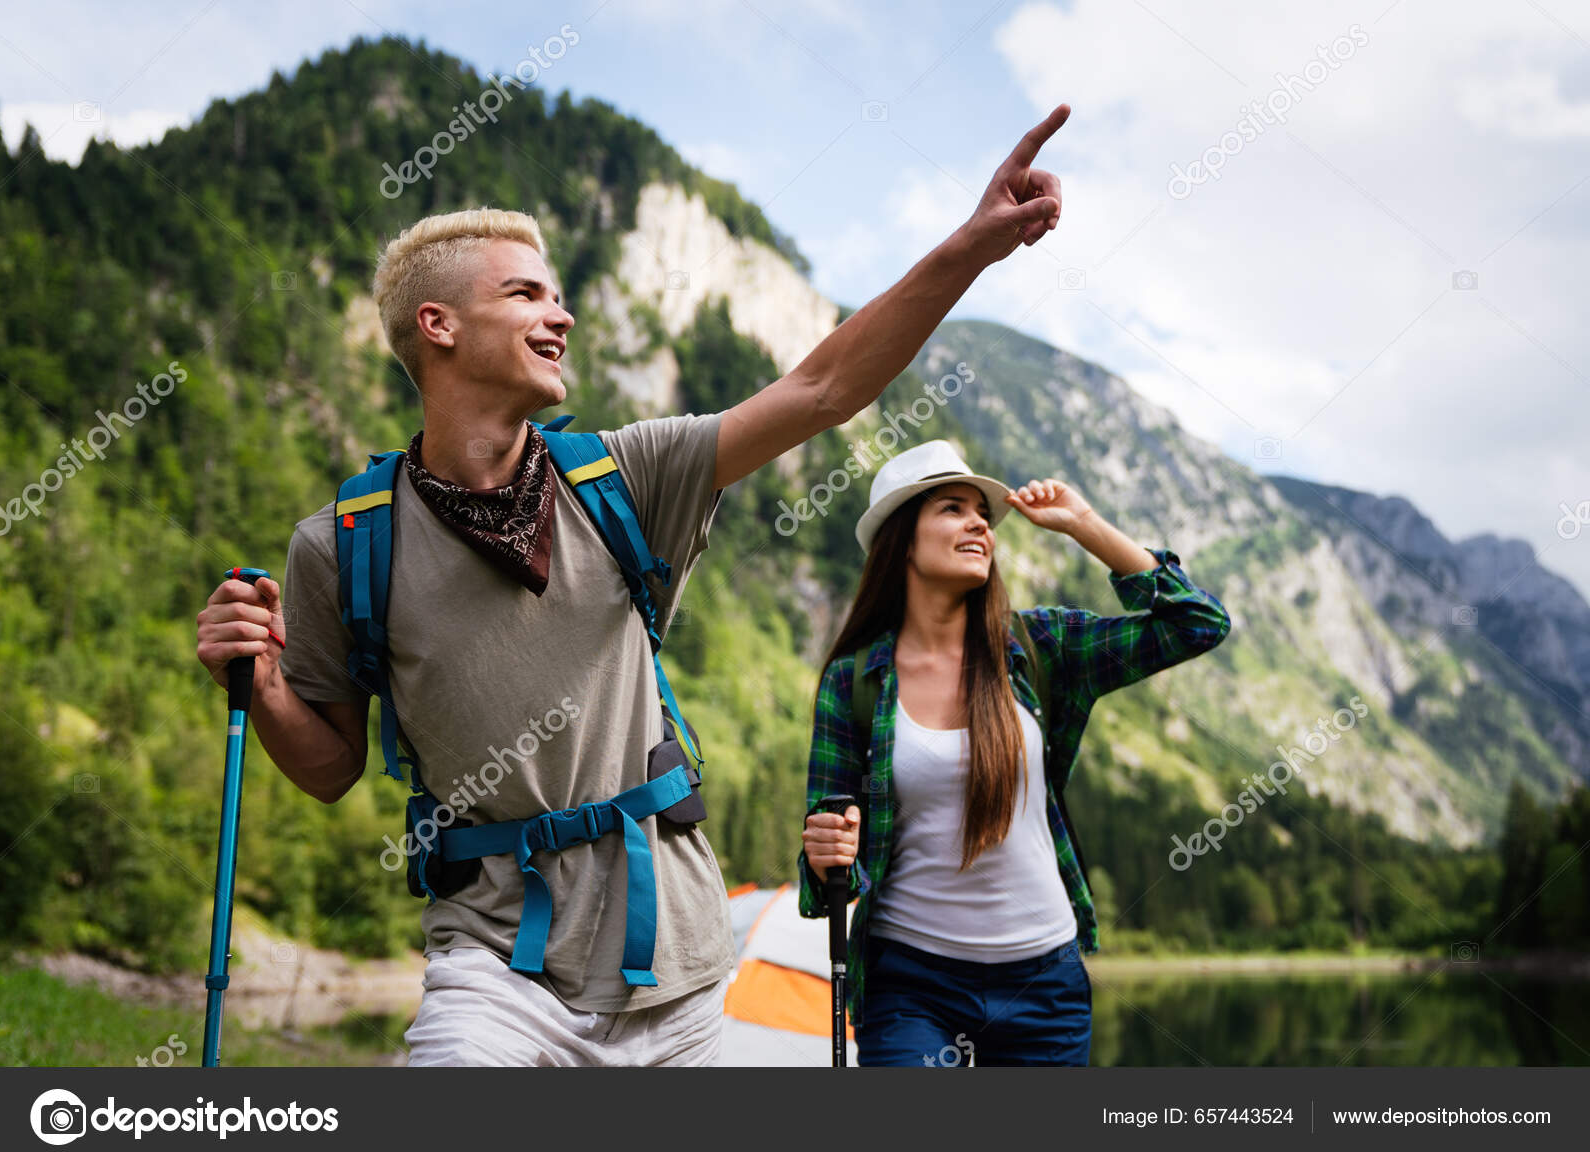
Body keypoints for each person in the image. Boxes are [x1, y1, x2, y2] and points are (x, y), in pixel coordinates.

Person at [193, 107, 1076, 1066]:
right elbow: (328, 768)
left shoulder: (627, 478)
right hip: (493, 962)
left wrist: (972, 248)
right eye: (526, 295)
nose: (560, 315)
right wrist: (266, 686)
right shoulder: (344, 545)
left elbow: (822, 388)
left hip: (681, 970)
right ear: (437, 325)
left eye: (559, 295)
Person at [799, 440, 1231, 1066]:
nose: (980, 522)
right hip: (911, 985)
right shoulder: (854, 681)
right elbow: (831, 865)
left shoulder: (1041, 645)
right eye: (953, 508)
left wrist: (1086, 525)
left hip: (1044, 984)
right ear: (903, 541)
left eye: (983, 513)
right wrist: (825, 855)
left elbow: (1198, 624)